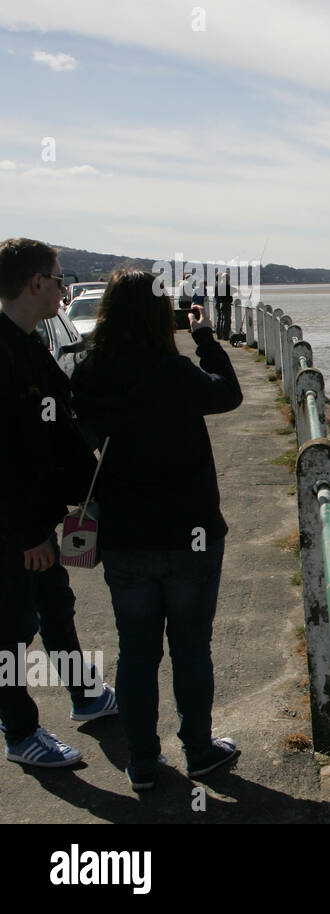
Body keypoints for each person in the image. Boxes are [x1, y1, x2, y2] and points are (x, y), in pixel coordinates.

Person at [71, 269, 243, 790]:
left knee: (137, 652)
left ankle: (142, 763)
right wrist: (206, 337)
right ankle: (198, 751)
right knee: (192, 646)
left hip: (124, 535)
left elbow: (82, 437)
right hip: (190, 532)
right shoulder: (173, 371)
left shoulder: (89, 372)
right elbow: (228, 395)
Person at [0, 238, 119, 768]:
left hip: (36, 519)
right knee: (10, 630)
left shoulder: (27, 343)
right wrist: (27, 534)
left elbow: (57, 428)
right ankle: (20, 733)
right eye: (57, 275)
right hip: (12, 527)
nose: (63, 286)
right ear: (35, 283)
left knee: (56, 609)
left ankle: (85, 696)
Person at [215, 271, 233, 342]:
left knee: (222, 319)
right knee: (227, 320)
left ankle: (221, 335)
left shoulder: (220, 286)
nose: (229, 279)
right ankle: (226, 336)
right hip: (226, 304)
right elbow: (229, 295)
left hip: (221, 303)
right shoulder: (227, 286)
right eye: (228, 278)